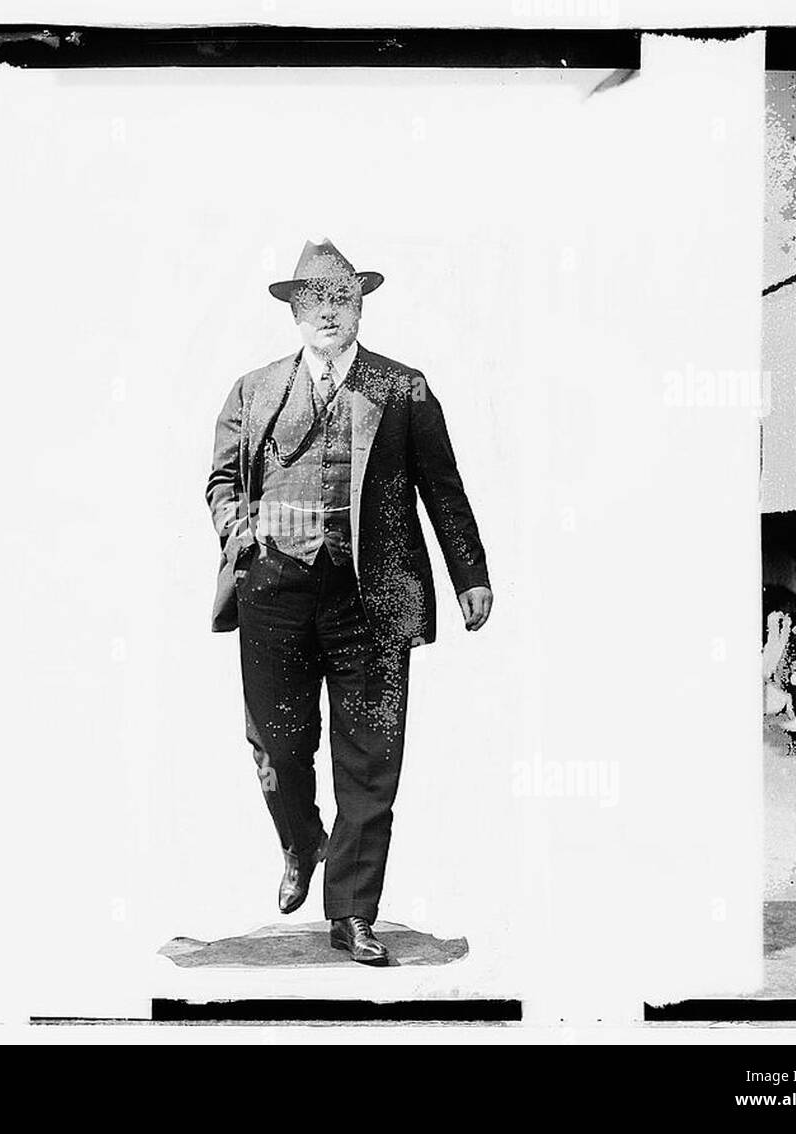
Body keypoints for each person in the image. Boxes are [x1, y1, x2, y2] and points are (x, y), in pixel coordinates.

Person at [205, 238, 493, 965]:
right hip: (273, 595)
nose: (328, 312)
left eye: (341, 298)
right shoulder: (253, 389)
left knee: (371, 759)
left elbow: (445, 490)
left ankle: (353, 913)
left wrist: (471, 575)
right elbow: (219, 484)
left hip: (375, 603)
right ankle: (302, 837)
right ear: (294, 312)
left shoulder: (404, 388)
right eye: (314, 300)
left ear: (361, 305)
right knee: (276, 744)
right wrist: (240, 534)